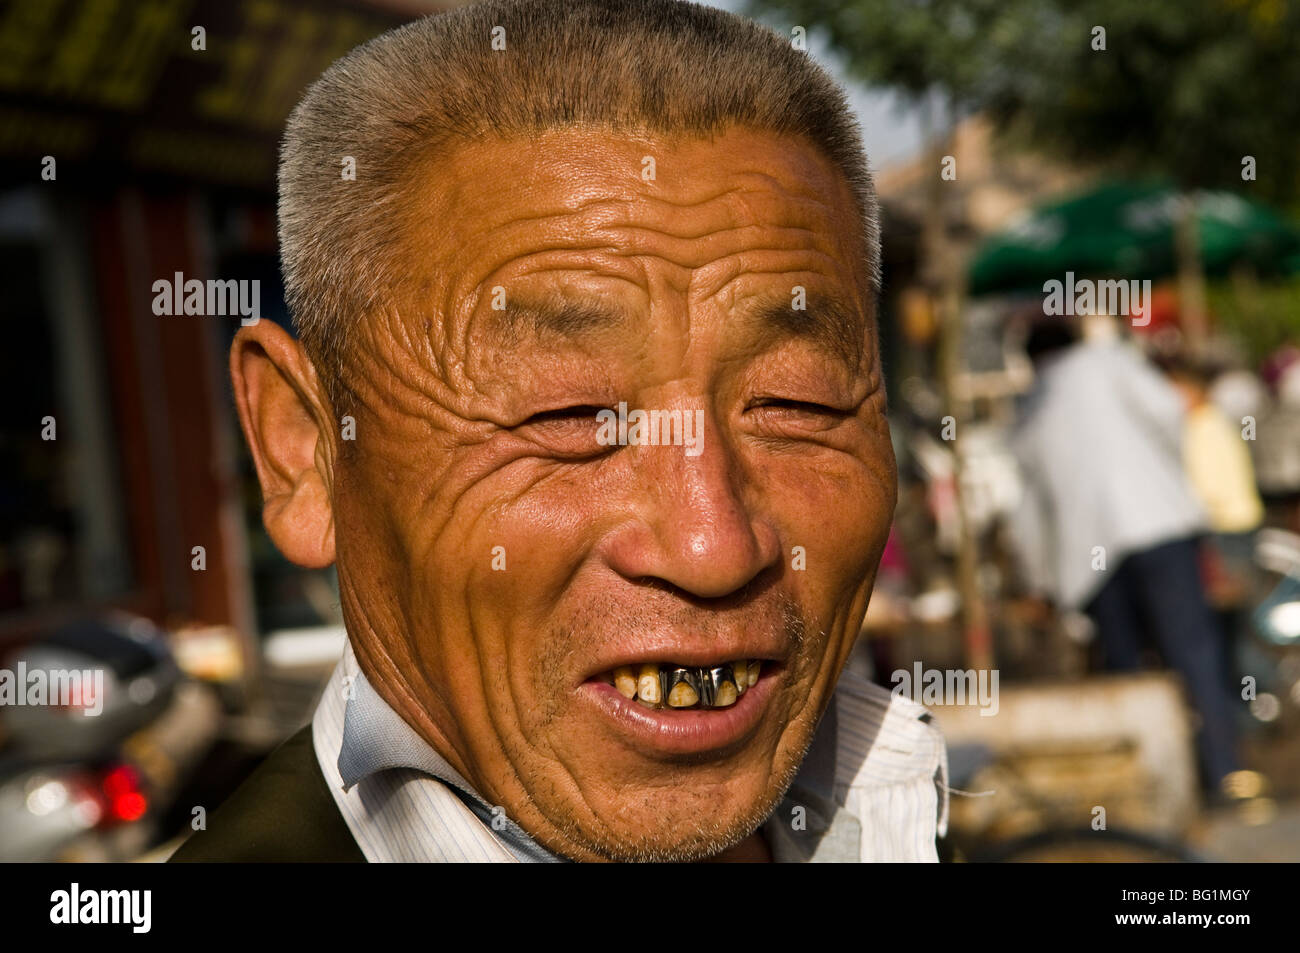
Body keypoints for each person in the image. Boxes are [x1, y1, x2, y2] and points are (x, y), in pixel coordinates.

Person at [171, 0, 947, 863]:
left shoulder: (889, 822)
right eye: (570, 414)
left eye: (795, 404)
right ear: (306, 450)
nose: (713, 545)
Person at [1008, 318, 1241, 794]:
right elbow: (1170, 412)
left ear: (1032, 361)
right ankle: (1226, 775)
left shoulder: (1031, 407)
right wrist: (1167, 476)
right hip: (1159, 525)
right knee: (1192, 652)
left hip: (1091, 553)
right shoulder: (1111, 361)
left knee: (1126, 670)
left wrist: (1040, 583)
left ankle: (1153, 790)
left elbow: (1028, 513)